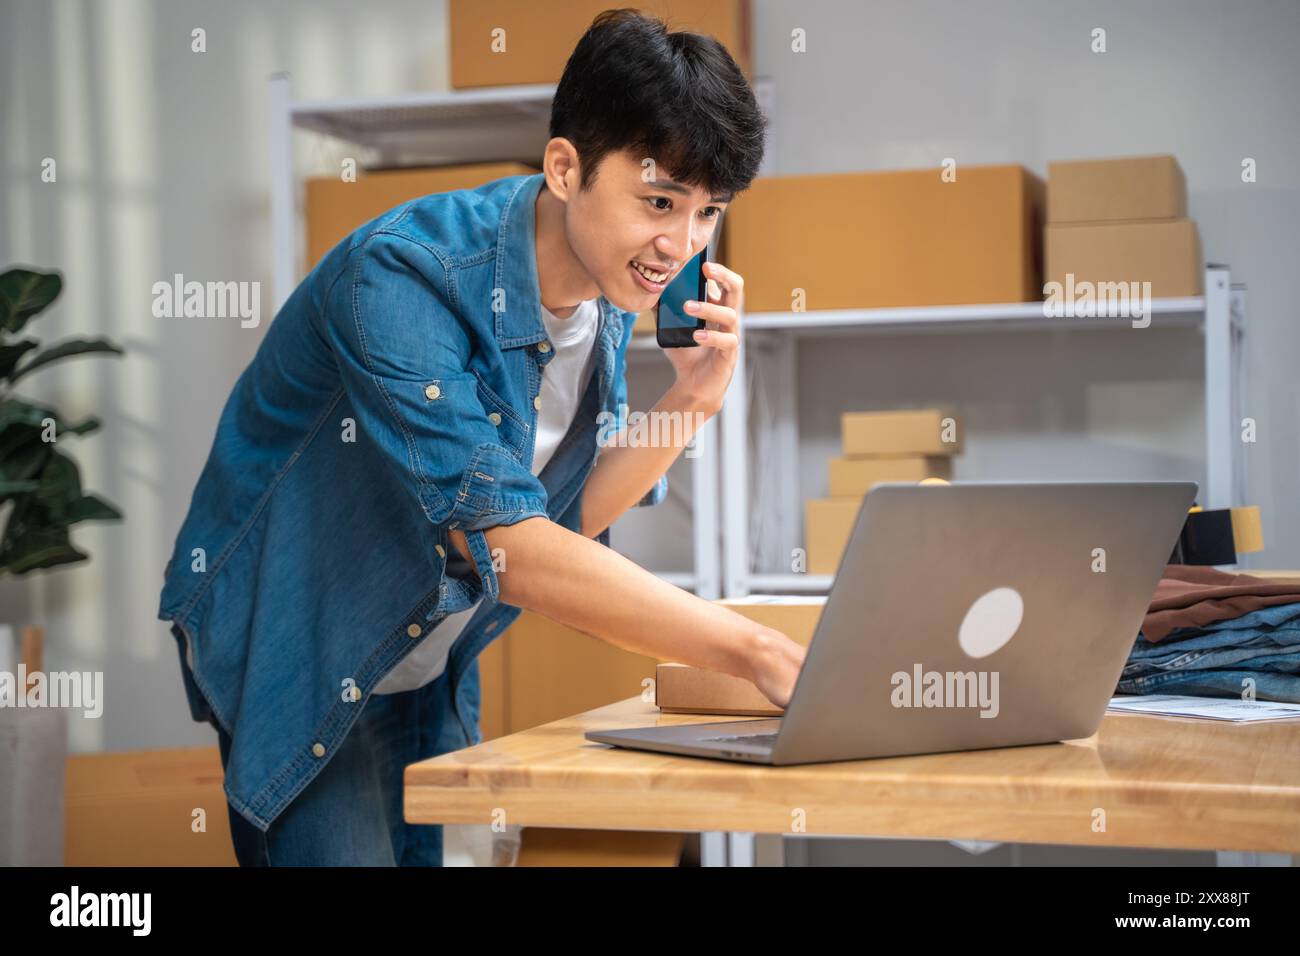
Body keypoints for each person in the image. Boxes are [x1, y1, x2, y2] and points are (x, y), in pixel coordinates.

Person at [157, 8, 806, 866]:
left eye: (705, 214)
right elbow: (517, 551)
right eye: (658, 201)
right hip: (304, 639)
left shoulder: (604, 295)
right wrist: (753, 649)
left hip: (423, 642)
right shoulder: (399, 277)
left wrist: (693, 401)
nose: (677, 245)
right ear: (566, 168)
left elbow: (562, 517)